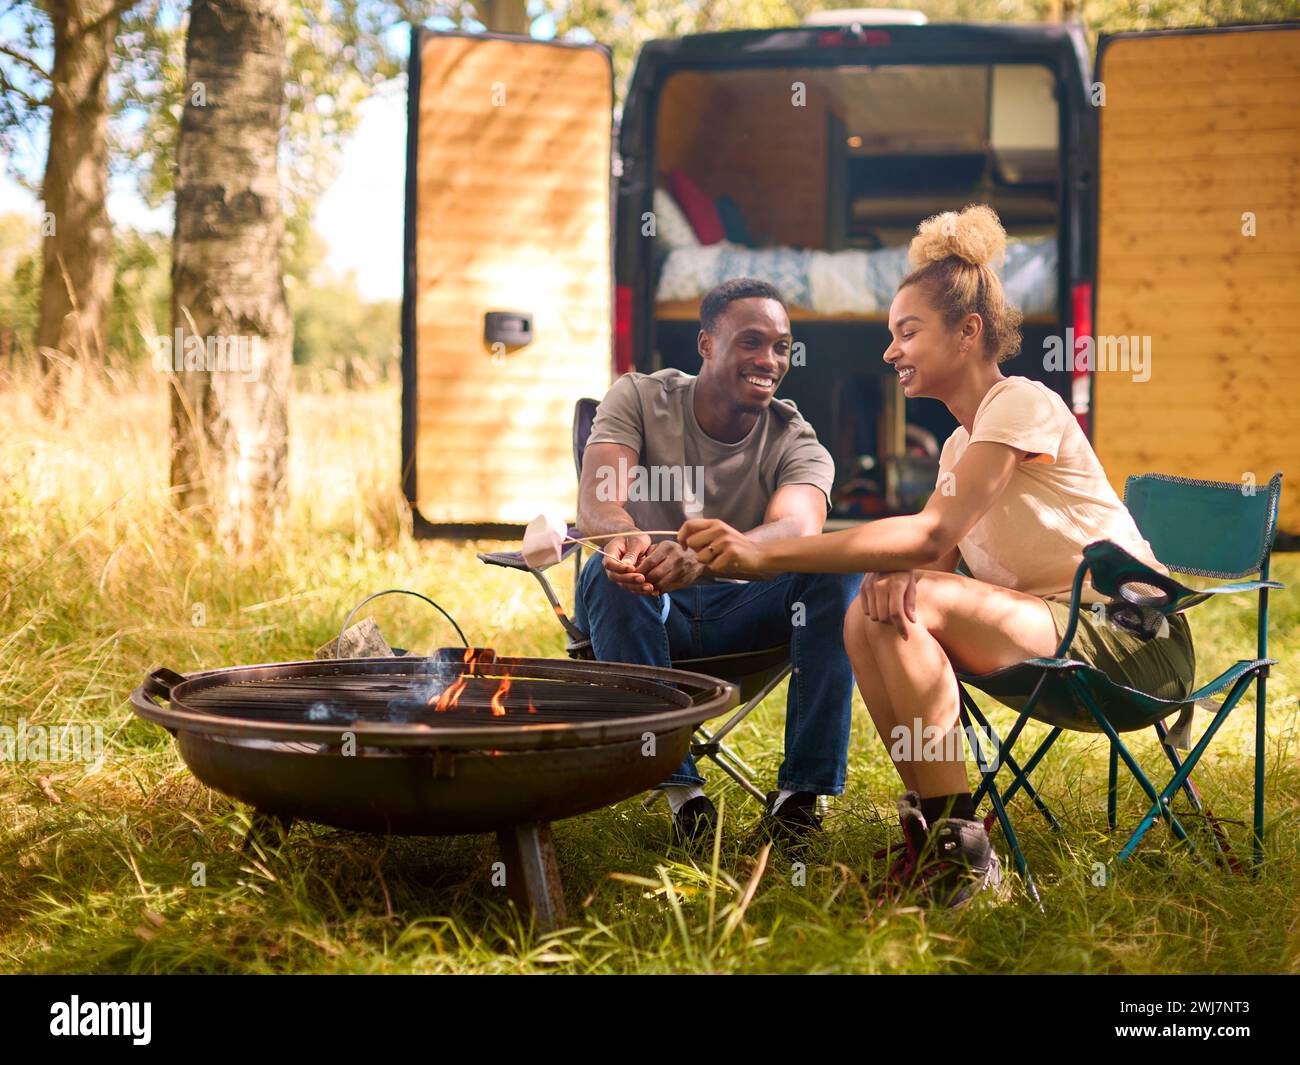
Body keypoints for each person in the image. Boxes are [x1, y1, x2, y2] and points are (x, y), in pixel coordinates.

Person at [680, 205, 1195, 906]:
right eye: (892, 335)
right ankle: (944, 837)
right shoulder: (959, 446)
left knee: (904, 599)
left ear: (969, 331)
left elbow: (927, 536)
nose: (891, 352)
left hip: (1134, 639)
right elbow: (933, 559)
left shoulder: (1022, 403)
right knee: (871, 613)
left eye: (908, 332)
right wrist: (893, 573)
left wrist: (765, 556)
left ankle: (968, 858)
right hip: (1051, 629)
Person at [573, 277, 862, 848]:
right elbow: (597, 503)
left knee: (833, 566)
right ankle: (685, 799)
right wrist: (628, 542)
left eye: (781, 346)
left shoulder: (795, 438)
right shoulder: (637, 396)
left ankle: (799, 800)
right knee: (609, 576)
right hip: (643, 603)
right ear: (706, 344)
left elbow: (797, 529)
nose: (770, 360)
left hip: (744, 610)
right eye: (751, 342)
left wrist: (703, 560)